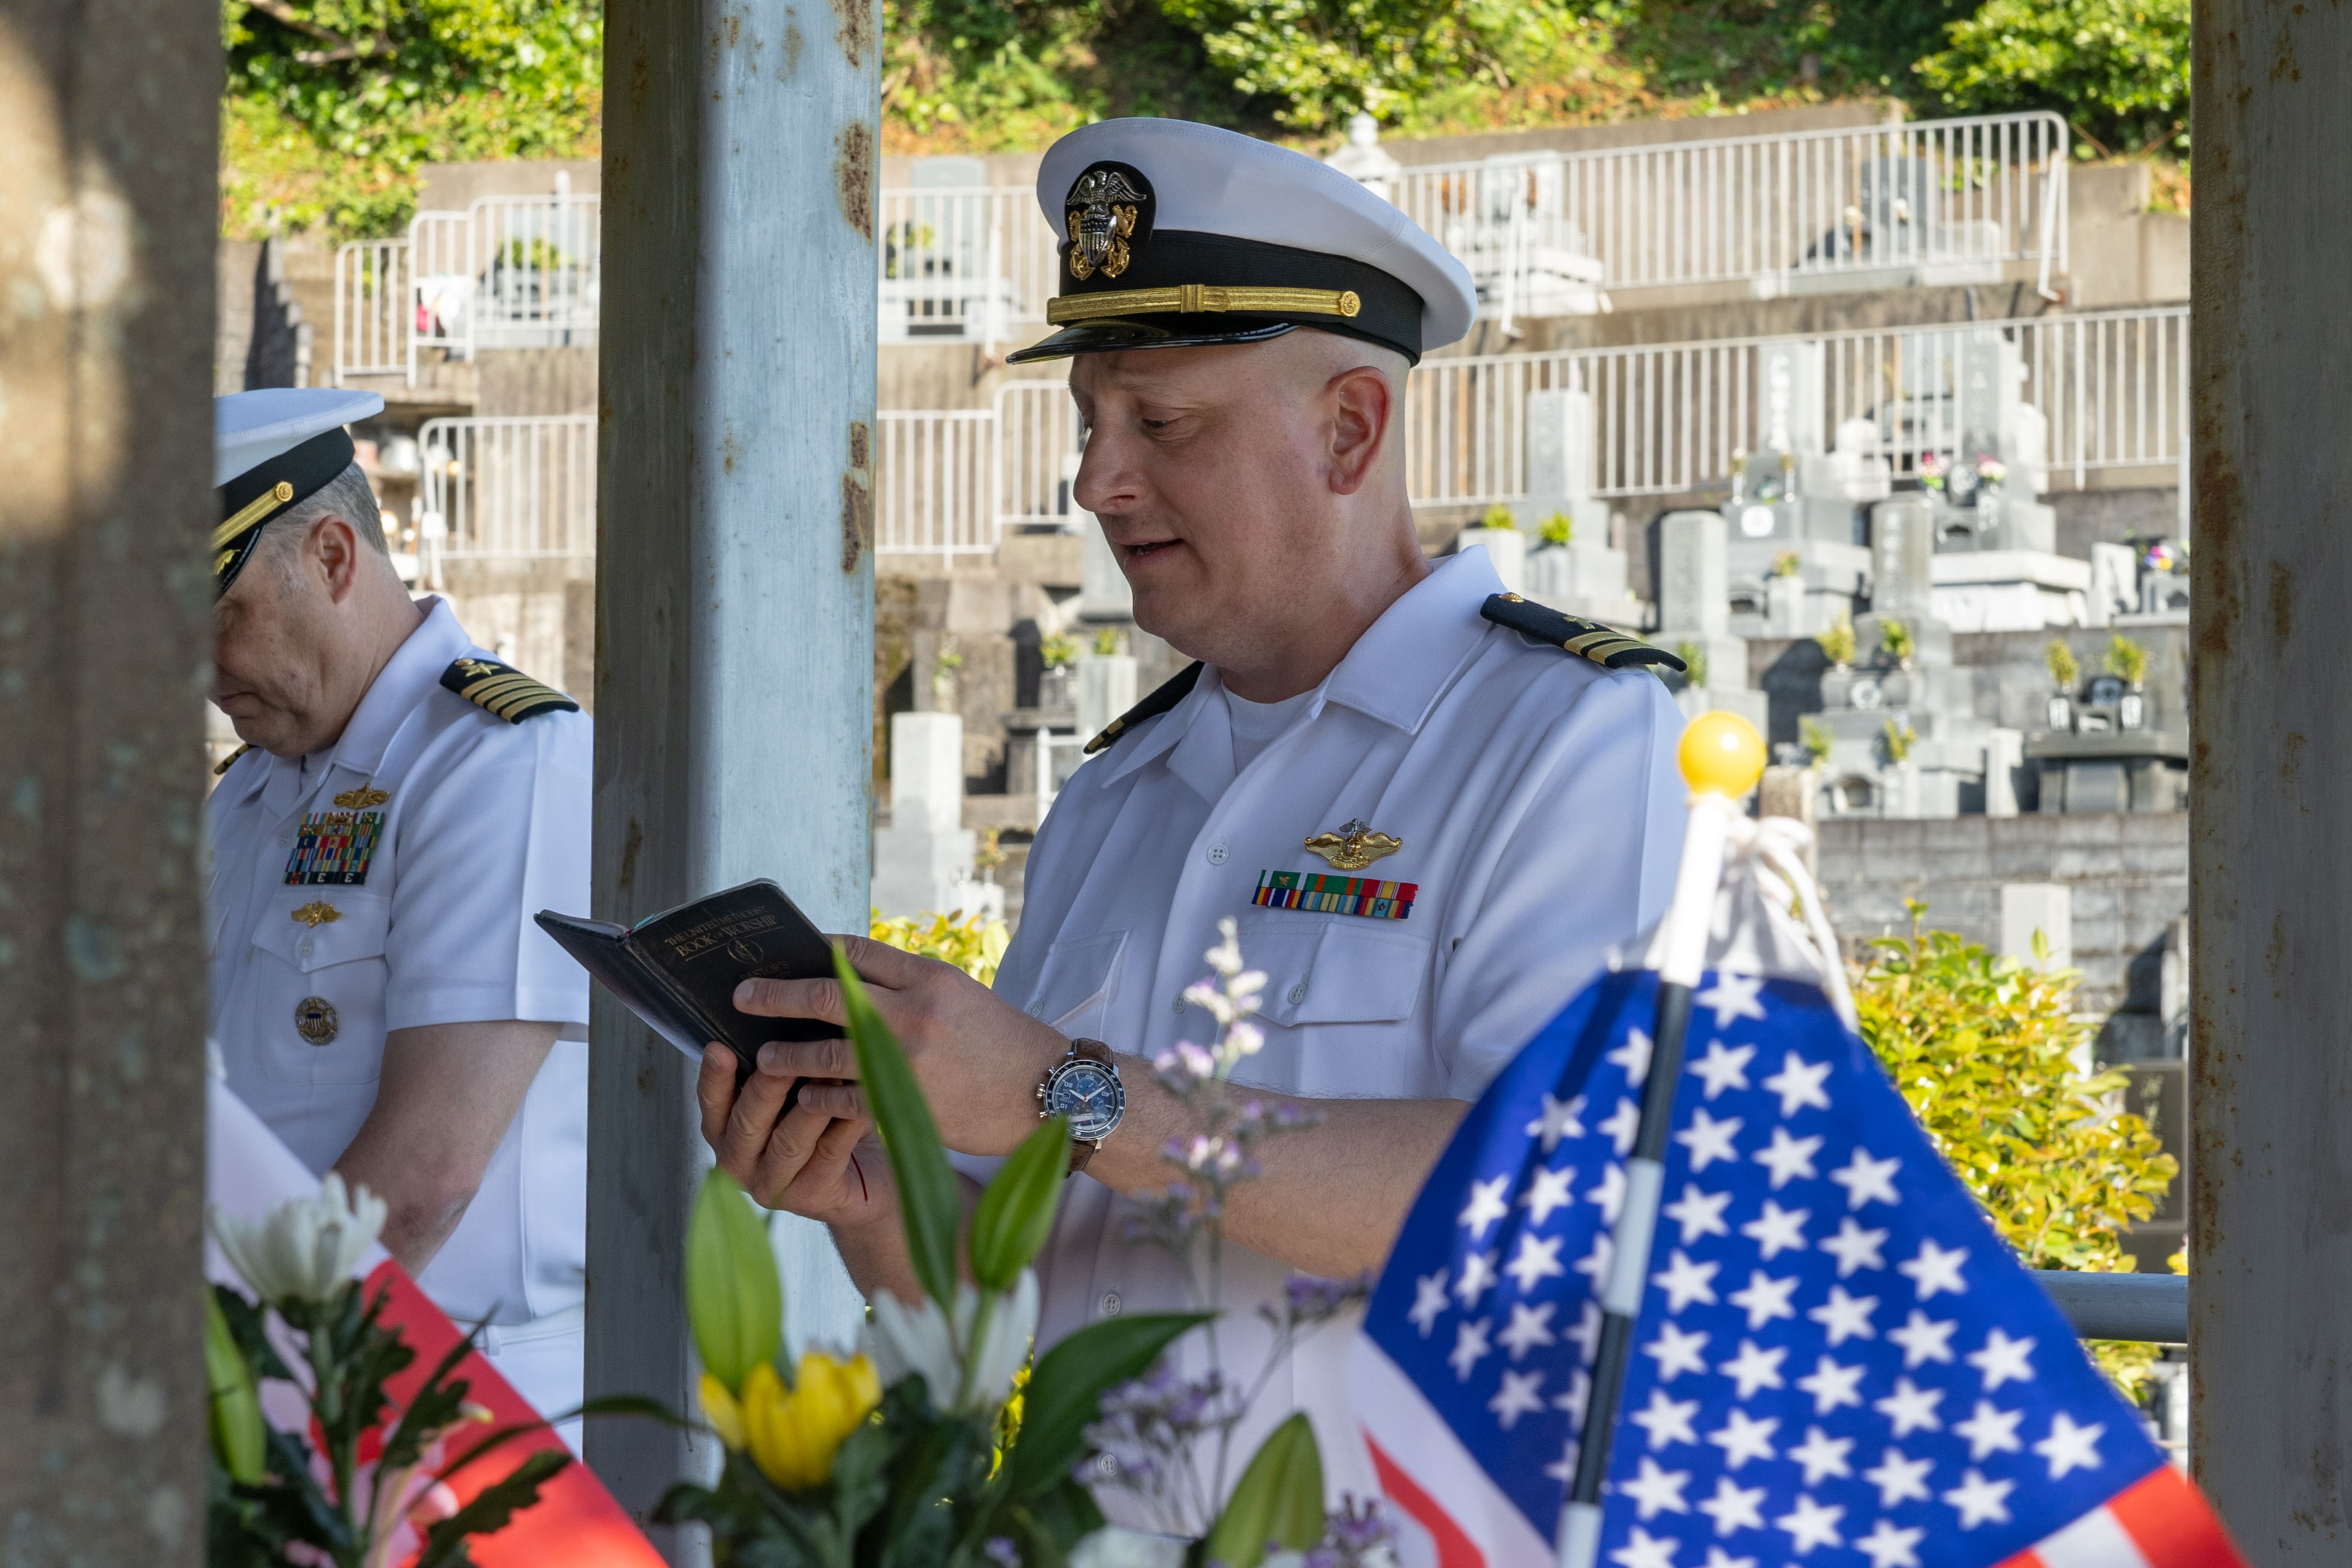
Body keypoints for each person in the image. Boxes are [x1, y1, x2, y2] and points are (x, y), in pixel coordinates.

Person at [697, 119, 1690, 1509]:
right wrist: (873, 1201)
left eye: (1162, 424)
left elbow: (1539, 1193)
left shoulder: (1571, 734)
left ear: (1352, 427)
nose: (1098, 481)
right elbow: (1023, 1294)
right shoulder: (1117, 789)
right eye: (1090, 423)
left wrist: (1061, 1087)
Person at [207, 388, 593, 1437]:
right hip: (280, 1394)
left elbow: (427, 1176)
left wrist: (227, 1385)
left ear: (334, 556)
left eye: (222, 617)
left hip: (445, 1408)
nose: (205, 673)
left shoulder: (498, 760)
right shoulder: (251, 792)